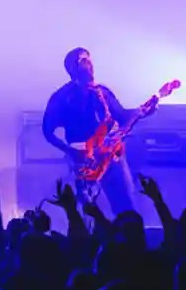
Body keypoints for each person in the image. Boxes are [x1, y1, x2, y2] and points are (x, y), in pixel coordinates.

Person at [41, 47, 144, 216]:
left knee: (125, 204)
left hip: (111, 155)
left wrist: (140, 112)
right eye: (83, 60)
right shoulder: (62, 97)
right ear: (72, 68)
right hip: (84, 158)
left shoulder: (102, 92)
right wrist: (71, 151)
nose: (89, 64)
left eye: (89, 60)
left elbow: (121, 116)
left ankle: (127, 237)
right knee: (88, 209)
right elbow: (47, 130)